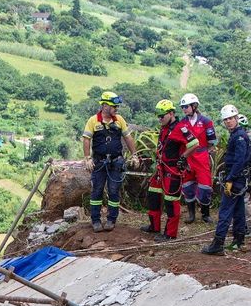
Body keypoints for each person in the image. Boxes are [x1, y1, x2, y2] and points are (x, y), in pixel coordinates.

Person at [202, 105, 251, 255]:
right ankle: (238, 241)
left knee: (225, 211)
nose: (228, 122)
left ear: (237, 118)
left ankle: (218, 244)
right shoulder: (239, 134)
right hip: (239, 178)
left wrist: (230, 179)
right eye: (226, 120)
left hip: (235, 178)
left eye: (231, 119)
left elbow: (239, 160)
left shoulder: (239, 137)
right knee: (238, 210)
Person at [81, 91, 137, 232]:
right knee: (97, 191)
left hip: (115, 161)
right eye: (113, 106)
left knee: (113, 191)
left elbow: (128, 138)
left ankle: (112, 219)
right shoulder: (93, 121)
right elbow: (86, 139)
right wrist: (87, 158)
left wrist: (135, 155)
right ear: (104, 105)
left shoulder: (119, 120)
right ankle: (95, 220)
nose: (116, 109)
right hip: (99, 162)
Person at [143, 99, 198, 240]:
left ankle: (170, 234)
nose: (160, 119)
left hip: (172, 170)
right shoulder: (165, 127)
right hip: (161, 168)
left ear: (171, 113)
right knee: (153, 195)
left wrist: (183, 157)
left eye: (162, 116)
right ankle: (154, 226)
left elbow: (194, 143)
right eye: (159, 116)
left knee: (171, 201)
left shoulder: (181, 128)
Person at [178, 93, 217, 224]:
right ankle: (191, 214)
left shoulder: (206, 122)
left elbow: (212, 141)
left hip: (201, 157)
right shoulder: (182, 123)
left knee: (205, 187)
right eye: (182, 107)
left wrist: (208, 152)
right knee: (187, 186)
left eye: (186, 106)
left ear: (194, 106)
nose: (184, 109)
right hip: (187, 157)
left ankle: (205, 214)